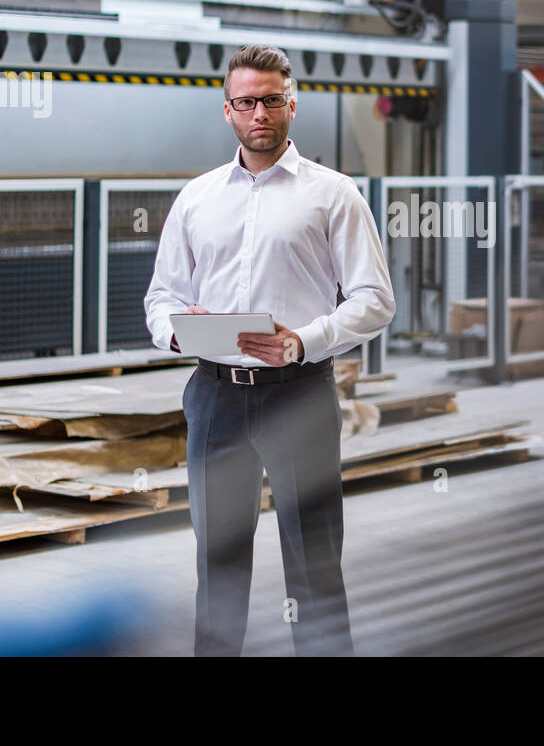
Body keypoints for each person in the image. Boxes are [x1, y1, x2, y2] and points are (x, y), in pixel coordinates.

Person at [144, 44, 395, 656]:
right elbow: (161, 296)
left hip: (299, 394)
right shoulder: (197, 198)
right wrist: (178, 329)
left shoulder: (334, 194)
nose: (260, 112)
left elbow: (375, 299)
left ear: (292, 105)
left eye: (272, 100)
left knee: (313, 561)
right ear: (227, 110)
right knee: (219, 559)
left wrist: (302, 341)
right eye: (247, 101)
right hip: (214, 398)